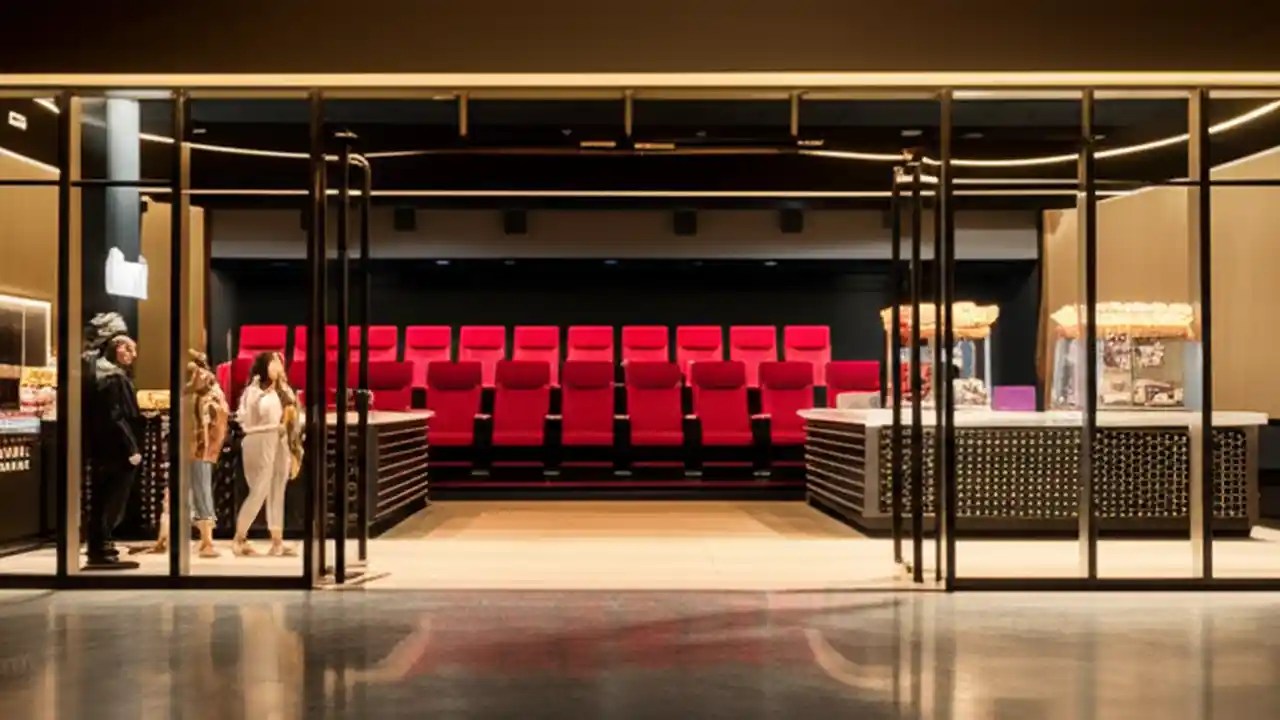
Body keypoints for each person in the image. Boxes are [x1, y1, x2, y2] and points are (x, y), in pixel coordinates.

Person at [83, 312, 144, 569]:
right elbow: (116, 416)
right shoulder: (112, 376)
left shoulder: (97, 372)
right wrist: (131, 447)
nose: (132, 355)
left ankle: (101, 545)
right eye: (128, 348)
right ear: (116, 346)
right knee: (111, 498)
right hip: (116, 450)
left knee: (103, 496)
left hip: (103, 448)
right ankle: (101, 547)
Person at [232, 351, 297, 557]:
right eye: (273, 362)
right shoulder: (253, 391)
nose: (278, 365)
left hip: (280, 440)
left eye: (279, 361)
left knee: (278, 488)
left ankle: (277, 541)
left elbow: (293, 415)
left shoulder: (284, 390)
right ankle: (240, 537)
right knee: (260, 489)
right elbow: (246, 419)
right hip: (260, 439)